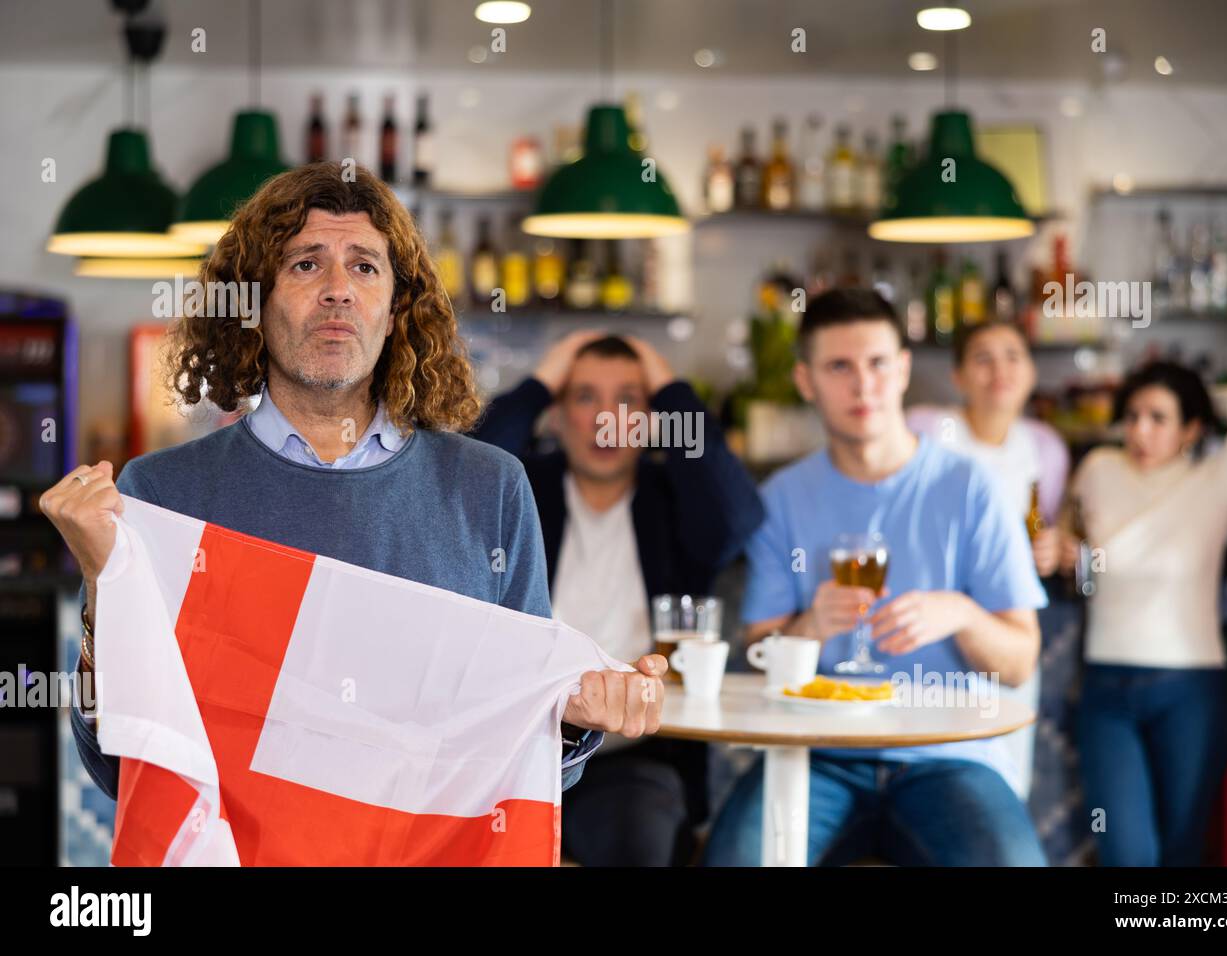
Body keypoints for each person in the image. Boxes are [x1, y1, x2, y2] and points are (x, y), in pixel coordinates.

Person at [40, 161, 664, 808]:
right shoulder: (163, 494)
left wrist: (572, 718)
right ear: (253, 305)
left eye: (364, 266)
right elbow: (123, 767)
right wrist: (102, 593)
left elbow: (527, 761)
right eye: (306, 264)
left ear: (396, 311)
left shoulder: (491, 488)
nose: (338, 289)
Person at [702, 287, 1048, 867]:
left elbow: (1018, 662)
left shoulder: (972, 489)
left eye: (878, 363)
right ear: (807, 380)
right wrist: (811, 625)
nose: (863, 385)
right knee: (735, 859)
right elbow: (760, 654)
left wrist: (959, 612)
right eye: (840, 366)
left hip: (951, 754)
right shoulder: (782, 499)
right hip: (814, 755)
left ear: (904, 370)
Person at [473, 330, 765, 865]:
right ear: (557, 415)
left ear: (654, 419)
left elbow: (736, 520)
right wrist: (541, 380)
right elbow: (460, 477)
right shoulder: (520, 488)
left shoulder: (676, 501)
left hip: (634, 754)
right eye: (584, 397)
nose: (606, 418)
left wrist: (671, 388)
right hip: (515, 748)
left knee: (638, 841)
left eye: (628, 400)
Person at [1063, 361, 1227, 866]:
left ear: (1191, 430)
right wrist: (1069, 557)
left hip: (1190, 693)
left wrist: (1200, 392)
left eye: (1159, 417)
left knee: (1183, 853)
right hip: (1105, 690)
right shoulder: (1098, 469)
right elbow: (1086, 578)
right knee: (1125, 854)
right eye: (1132, 414)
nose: (1140, 430)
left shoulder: (1215, 481)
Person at [906, 319, 1071, 800]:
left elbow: (1050, 528)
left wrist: (1052, 545)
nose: (999, 370)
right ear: (957, 377)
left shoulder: (1046, 448)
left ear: (1032, 372)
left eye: (1013, 356)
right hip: (928, 629)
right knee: (925, 765)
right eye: (982, 357)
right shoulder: (926, 429)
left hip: (1007, 629)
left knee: (1001, 771)